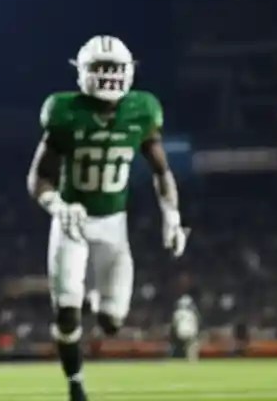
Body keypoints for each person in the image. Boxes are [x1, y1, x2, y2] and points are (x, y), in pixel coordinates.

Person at [27, 35, 190, 401]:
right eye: (100, 68)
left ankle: (96, 299)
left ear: (129, 71)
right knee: (67, 313)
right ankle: (75, 383)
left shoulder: (142, 110)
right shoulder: (65, 111)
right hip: (72, 222)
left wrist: (172, 216)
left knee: (112, 322)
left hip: (114, 226)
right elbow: (38, 177)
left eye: (114, 68)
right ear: (82, 72)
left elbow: (161, 171)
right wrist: (57, 205)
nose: (108, 76)